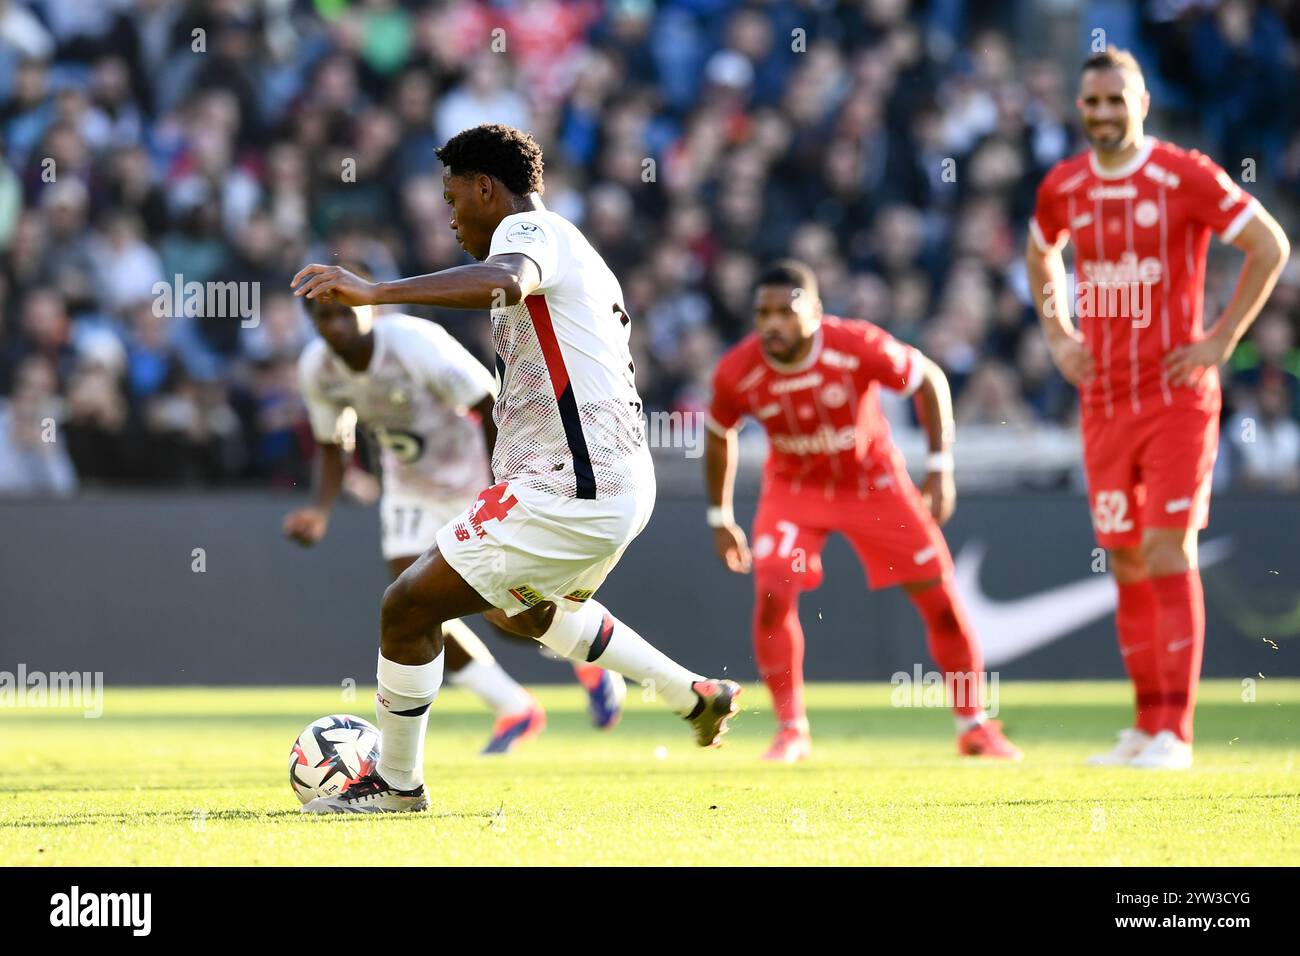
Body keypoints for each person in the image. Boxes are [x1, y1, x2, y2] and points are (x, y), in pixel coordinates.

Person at [290, 124, 740, 812]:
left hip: (575, 480)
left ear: (484, 188)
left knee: (407, 607)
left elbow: (505, 281)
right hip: (602, 480)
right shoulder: (569, 249)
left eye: (453, 200)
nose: (450, 219)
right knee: (520, 614)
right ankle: (691, 694)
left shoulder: (532, 233)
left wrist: (377, 292)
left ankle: (397, 786)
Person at [1026, 48, 1290, 769]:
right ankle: (1145, 726)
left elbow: (1269, 244)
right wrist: (1058, 333)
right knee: (1124, 558)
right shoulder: (1065, 184)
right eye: (1092, 102)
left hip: (1177, 396)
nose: (1103, 112)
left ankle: (1177, 731)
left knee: (1169, 549)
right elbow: (1040, 251)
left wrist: (1223, 339)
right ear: (1079, 109)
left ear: (1141, 103)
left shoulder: (1183, 175)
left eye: (1116, 99)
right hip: (1103, 399)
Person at [704, 259, 1022, 763]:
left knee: (940, 600)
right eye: (763, 313)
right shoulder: (738, 369)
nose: (772, 324)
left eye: (785, 312)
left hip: (872, 483)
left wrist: (940, 468)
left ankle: (974, 726)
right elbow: (719, 433)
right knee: (771, 595)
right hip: (794, 490)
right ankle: (791, 730)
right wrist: (720, 517)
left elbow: (929, 379)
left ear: (815, 312)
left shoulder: (856, 345)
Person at [285, 289, 627, 754]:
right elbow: (332, 444)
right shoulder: (317, 369)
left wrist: (501, 482)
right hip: (410, 486)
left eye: (346, 313)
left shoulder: (415, 342)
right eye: (324, 318)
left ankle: (586, 652)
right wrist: (319, 511)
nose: (336, 326)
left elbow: (488, 402)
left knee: (505, 611)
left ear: (372, 309)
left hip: (473, 476)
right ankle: (513, 707)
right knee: (411, 604)